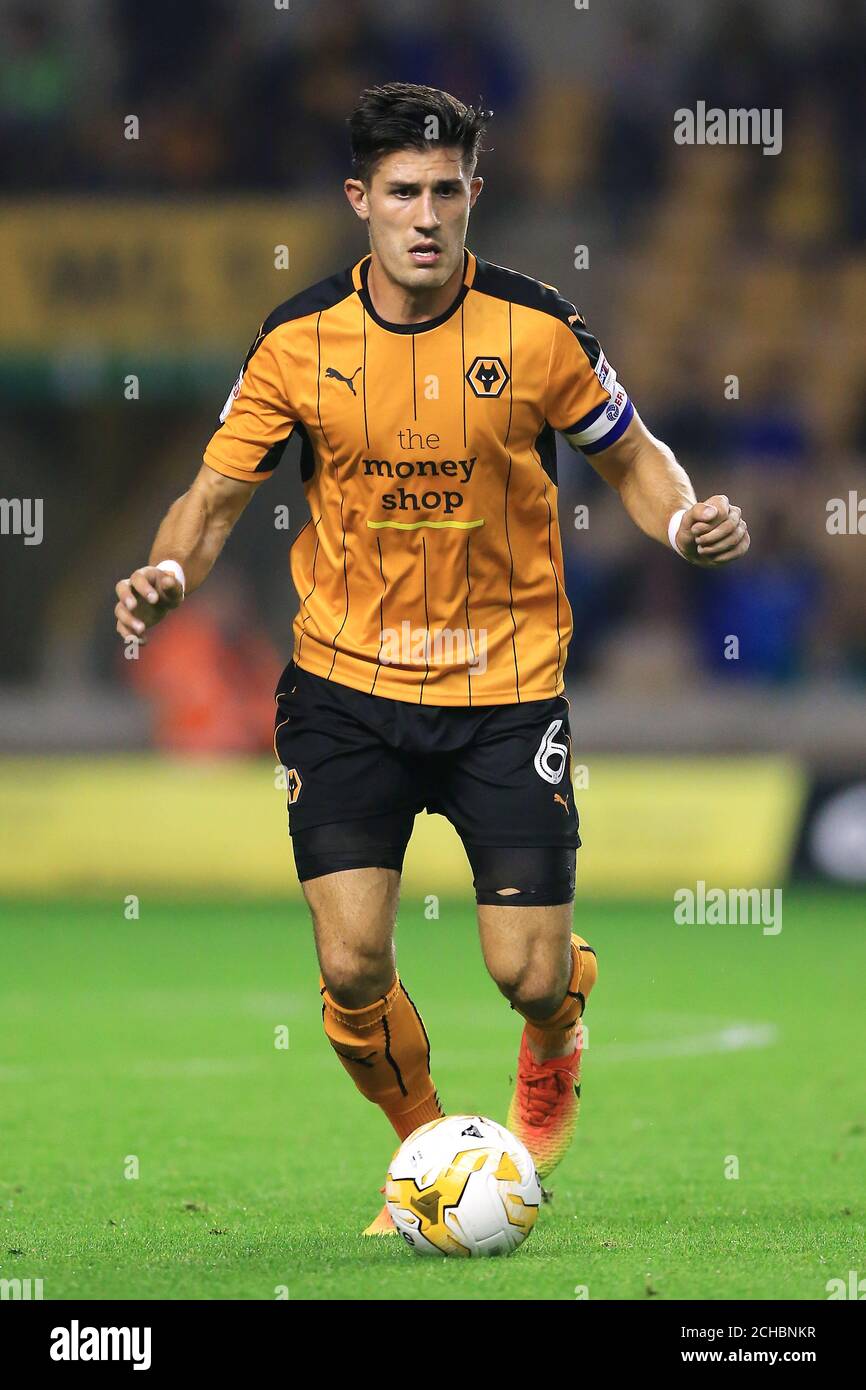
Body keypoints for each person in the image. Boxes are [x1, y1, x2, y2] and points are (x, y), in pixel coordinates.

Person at [114, 82, 750, 1238]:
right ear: (358, 199)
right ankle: (431, 1156)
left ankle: (557, 1021)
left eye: (445, 191)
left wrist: (685, 519)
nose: (424, 215)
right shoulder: (297, 342)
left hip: (504, 690)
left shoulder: (537, 328)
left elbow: (634, 455)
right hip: (343, 688)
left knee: (523, 972)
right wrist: (166, 574)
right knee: (353, 967)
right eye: (401, 192)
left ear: (472, 197)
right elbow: (208, 505)